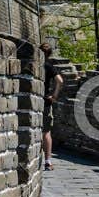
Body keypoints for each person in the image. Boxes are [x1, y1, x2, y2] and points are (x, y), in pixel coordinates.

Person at [41, 42, 63, 171]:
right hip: (45, 102)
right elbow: (60, 81)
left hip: (33, 99)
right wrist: (54, 96)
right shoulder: (49, 66)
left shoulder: (32, 64)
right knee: (46, 132)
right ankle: (48, 161)